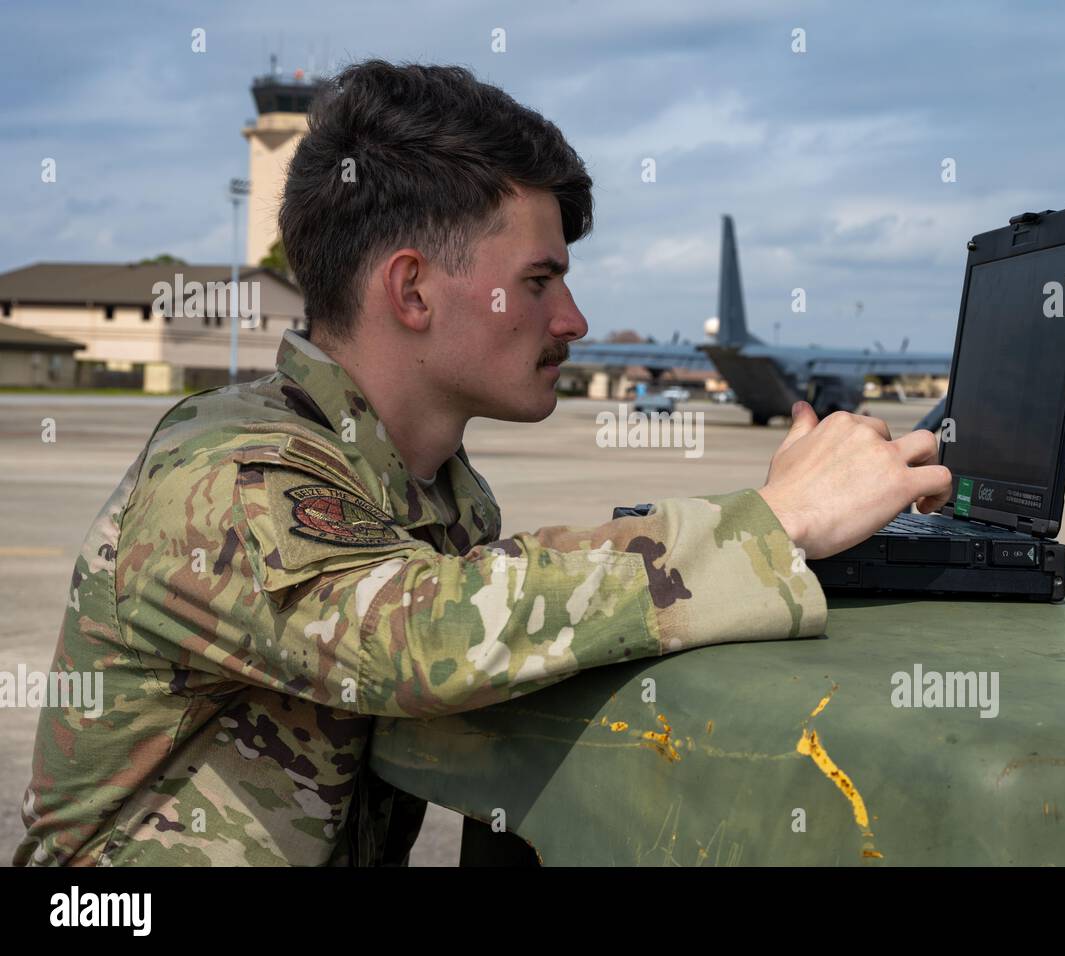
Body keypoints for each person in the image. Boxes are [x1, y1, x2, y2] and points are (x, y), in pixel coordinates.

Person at [15, 60, 950, 866]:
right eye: (538, 283)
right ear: (413, 290)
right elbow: (415, 639)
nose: (574, 321)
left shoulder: (437, 495)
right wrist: (773, 521)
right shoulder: (227, 476)